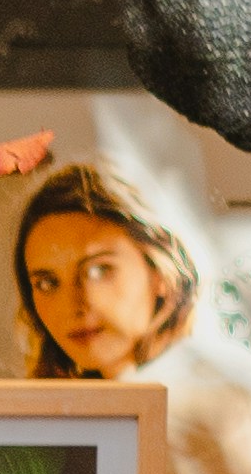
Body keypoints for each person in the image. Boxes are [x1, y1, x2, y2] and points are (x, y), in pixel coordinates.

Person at [14, 161, 198, 385]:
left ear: (159, 272)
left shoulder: (207, 393)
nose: (72, 306)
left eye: (98, 271)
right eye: (47, 283)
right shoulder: (82, 401)